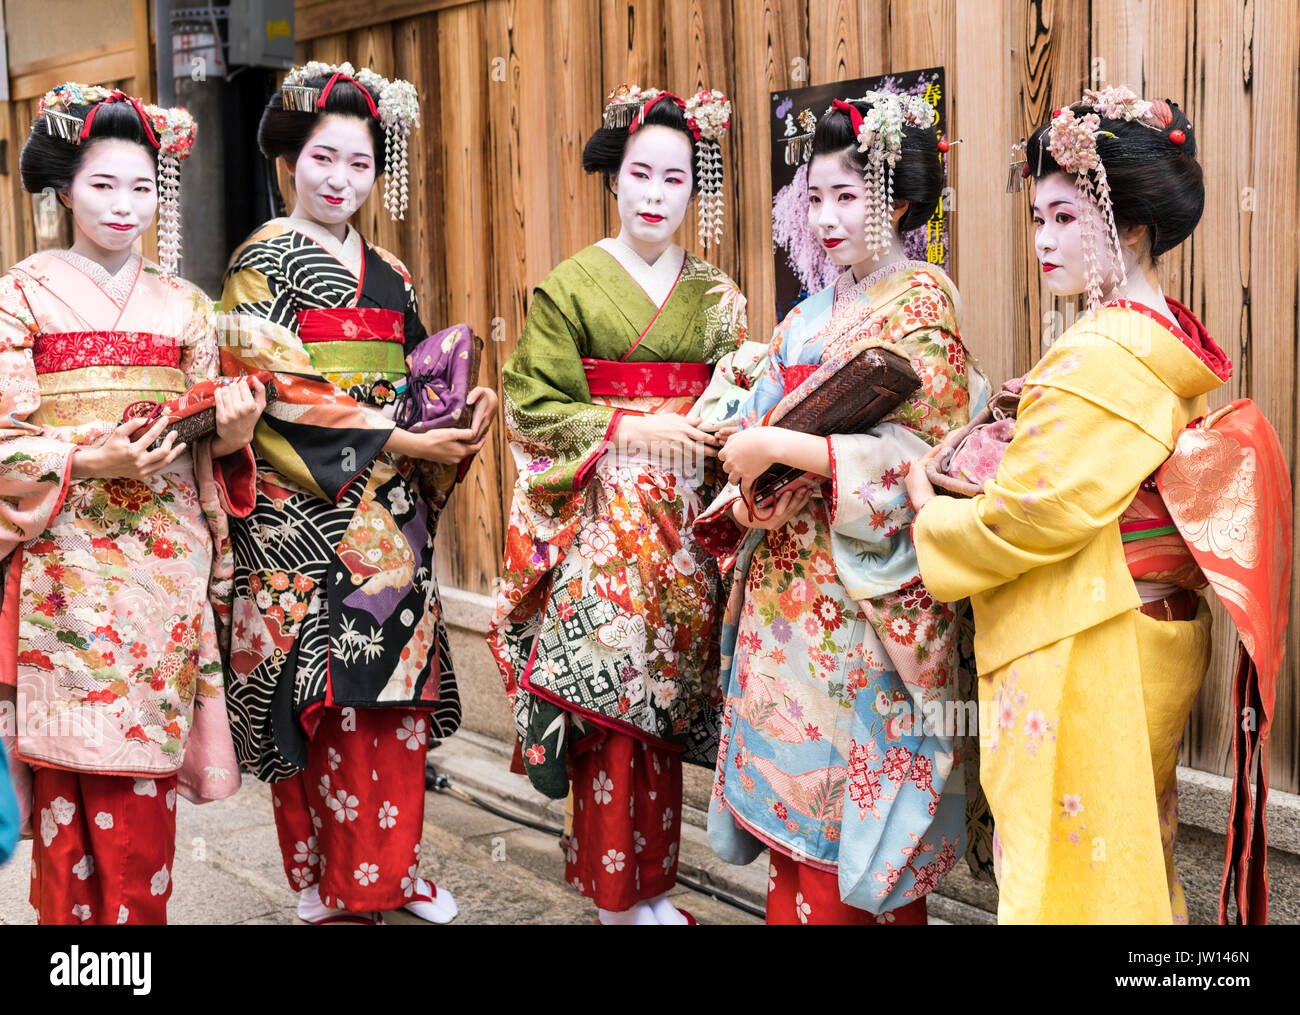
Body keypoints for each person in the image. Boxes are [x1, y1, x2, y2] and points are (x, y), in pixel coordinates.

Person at [906, 87, 1236, 923]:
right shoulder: (1158, 336)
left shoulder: (1101, 356)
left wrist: (928, 511)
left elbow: (1028, 516)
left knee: (1074, 879)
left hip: (1093, 645)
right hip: (1144, 630)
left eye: (1064, 217)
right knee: (1126, 855)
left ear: (1126, 225)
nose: (1044, 241)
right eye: (1037, 219)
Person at [693, 94, 982, 925]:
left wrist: (784, 450)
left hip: (862, 601)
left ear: (894, 200)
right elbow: (756, 423)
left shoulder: (924, 304)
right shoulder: (805, 315)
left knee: (853, 825)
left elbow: (926, 458)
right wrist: (744, 449)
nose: (823, 217)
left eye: (847, 197)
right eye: (811, 197)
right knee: (795, 829)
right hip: (786, 590)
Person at [219, 61, 496, 925]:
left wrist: (459, 404)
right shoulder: (258, 263)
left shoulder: (396, 273)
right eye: (322, 159)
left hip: (388, 518)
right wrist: (400, 435)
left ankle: (393, 871)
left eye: (360, 163)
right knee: (316, 702)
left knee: (393, 703)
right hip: (300, 515)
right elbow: (278, 389)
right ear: (288, 163)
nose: (340, 180)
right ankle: (320, 878)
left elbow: (416, 377)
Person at [0, 82, 261, 923]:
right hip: (61, 567)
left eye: (142, 186)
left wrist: (230, 429)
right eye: (103, 184)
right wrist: (83, 454)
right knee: (66, 801)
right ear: (64, 187)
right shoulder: (20, 293)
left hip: (161, 569)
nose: (124, 205)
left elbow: (203, 429)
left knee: (143, 798)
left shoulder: (187, 304)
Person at [487, 85, 745, 925]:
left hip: (687, 517)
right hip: (599, 509)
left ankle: (656, 887)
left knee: (662, 705)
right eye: (640, 174)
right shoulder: (571, 286)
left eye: (675, 179)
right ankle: (611, 896)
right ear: (614, 178)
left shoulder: (717, 296)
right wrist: (633, 429)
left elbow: (742, 389)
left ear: (692, 189)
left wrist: (712, 421)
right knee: (605, 700)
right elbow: (529, 403)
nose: (655, 195)